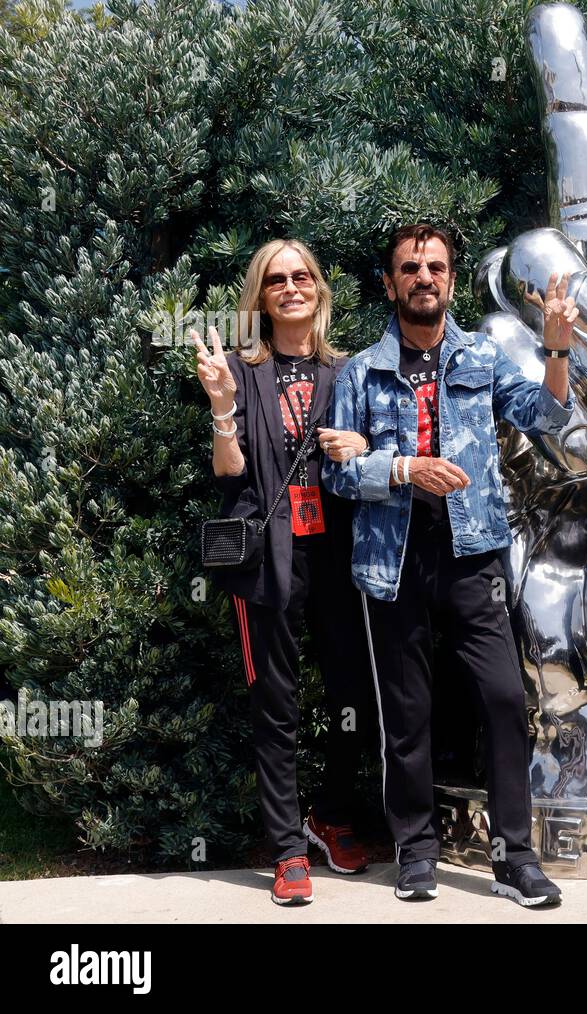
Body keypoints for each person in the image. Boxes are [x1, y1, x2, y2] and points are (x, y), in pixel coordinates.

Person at [322, 223, 576, 907]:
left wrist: (556, 345)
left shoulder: (484, 358)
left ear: (452, 281)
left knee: (502, 701)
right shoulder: (361, 372)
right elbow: (337, 476)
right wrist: (404, 468)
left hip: (472, 556)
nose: (424, 278)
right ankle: (416, 853)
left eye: (436, 267)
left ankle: (515, 860)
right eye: (410, 268)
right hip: (391, 562)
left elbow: (548, 416)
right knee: (407, 715)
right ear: (390, 283)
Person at [193, 239, 373, 906]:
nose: (291, 287)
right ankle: (288, 849)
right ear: (261, 297)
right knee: (277, 706)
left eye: (302, 276)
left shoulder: (349, 372)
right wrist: (219, 407)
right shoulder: (243, 370)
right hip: (268, 558)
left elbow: (378, 458)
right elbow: (229, 471)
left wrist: (361, 444)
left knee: (353, 696)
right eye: (277, 279)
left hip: (338, 555)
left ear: (319, 290)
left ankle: (330, 817)